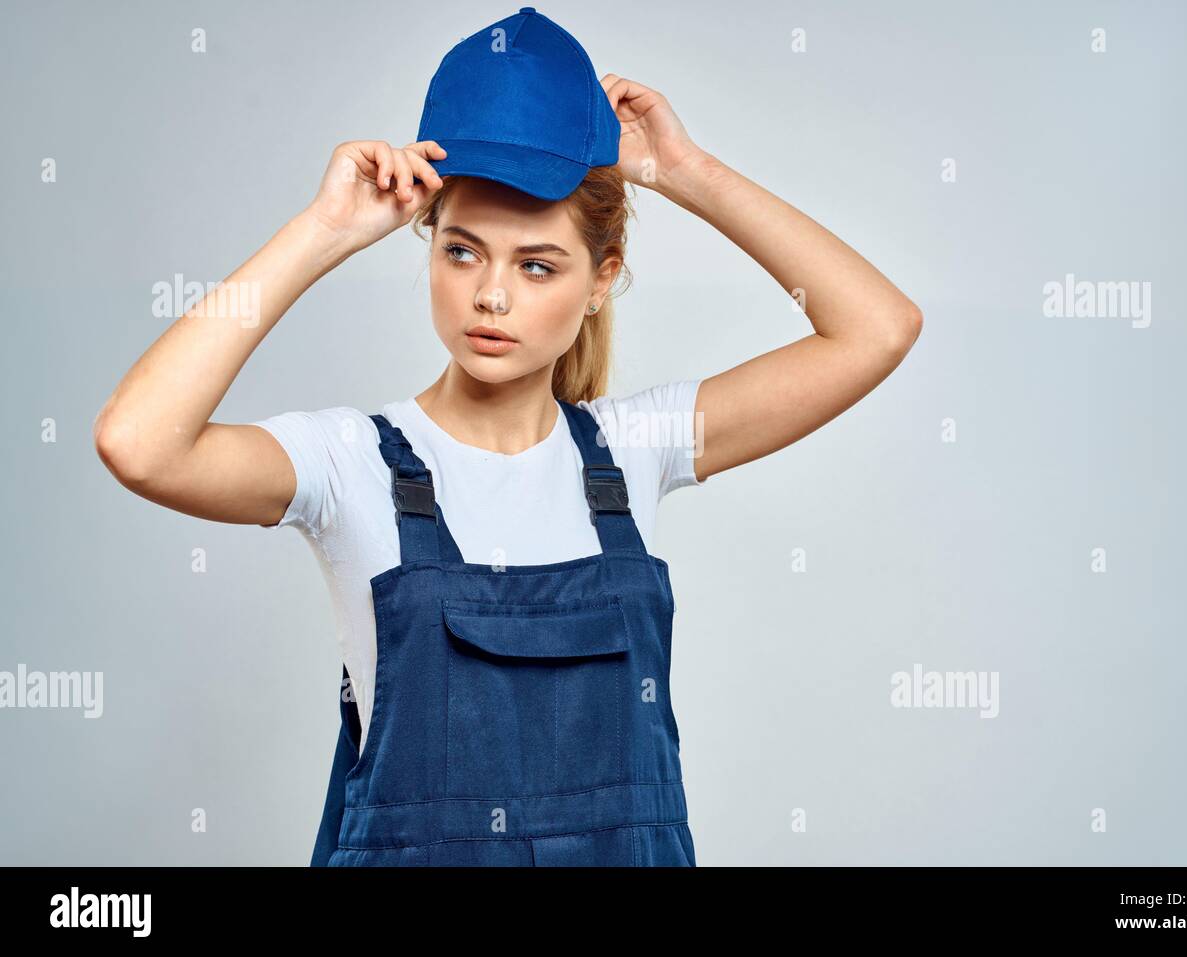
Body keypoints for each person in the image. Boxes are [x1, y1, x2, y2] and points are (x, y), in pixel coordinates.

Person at [93, 20, 921, 867]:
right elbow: (138, 442)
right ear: (429, 245)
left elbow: (877, 328)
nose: (490, 297)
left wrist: (684, 173)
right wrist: (325, 230)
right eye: (462, 252)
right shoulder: (352, 465)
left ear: (601, 280)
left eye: (537, 265)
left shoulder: (634, 451)